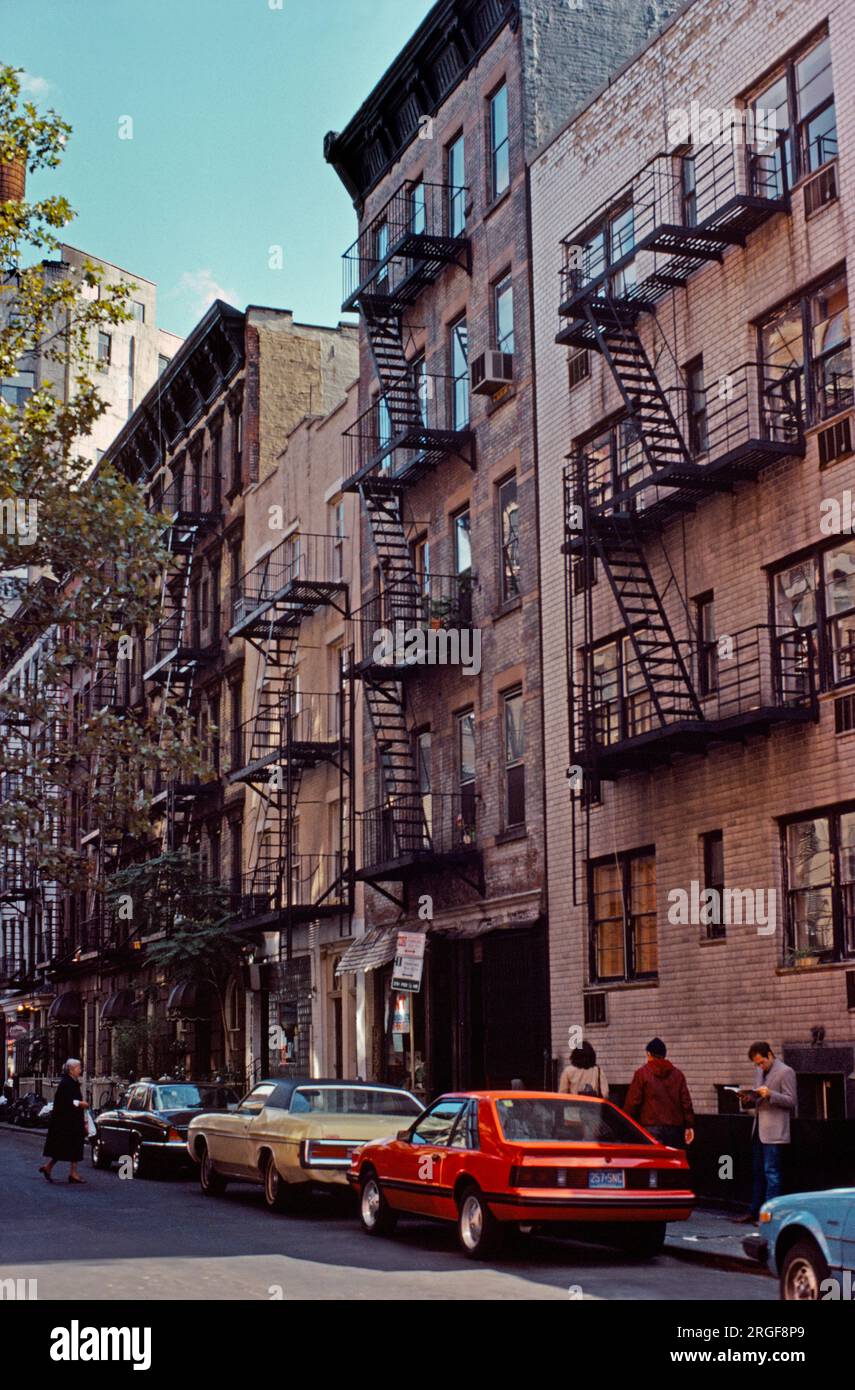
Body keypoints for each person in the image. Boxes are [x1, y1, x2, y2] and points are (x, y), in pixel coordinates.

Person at [737, 1041, 797, 1225]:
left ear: (770, 1055)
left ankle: (769, 1216)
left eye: (761, 1062)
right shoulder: (759, 1072)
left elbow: (791, 1100)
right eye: (757, 1064)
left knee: (772, 1173)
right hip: (759, 1129)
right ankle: (754, 1211)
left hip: (774, 1131)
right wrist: (748, 1098)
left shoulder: (786, 1072)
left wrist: (770, 1093)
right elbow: (757, 1100)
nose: (759, 1066)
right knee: (757, 1172)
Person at [624, 1037, 695, 1150]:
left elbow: (633, 1102)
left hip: (650, 1128)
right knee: (672, 1164)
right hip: (674, 1129)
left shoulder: (641, 1074)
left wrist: (626, 1123)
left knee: (653, 1163)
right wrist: (689, 1125)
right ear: (664, 1055)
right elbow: (686, 1103)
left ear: (649, 1054)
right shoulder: (678, 1075)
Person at [39, 1058, 88, 1184]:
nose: (80, 1070)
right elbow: (69, 1101)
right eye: (78, 1067)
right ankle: (73, 1173)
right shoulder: (67, 1083)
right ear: (71, 1070)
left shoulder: (71, 1081)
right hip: (67, 1121)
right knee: (72, 1144)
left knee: (64, 1146)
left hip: (68, 1120)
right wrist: (81, 1103)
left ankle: (50, 1167)